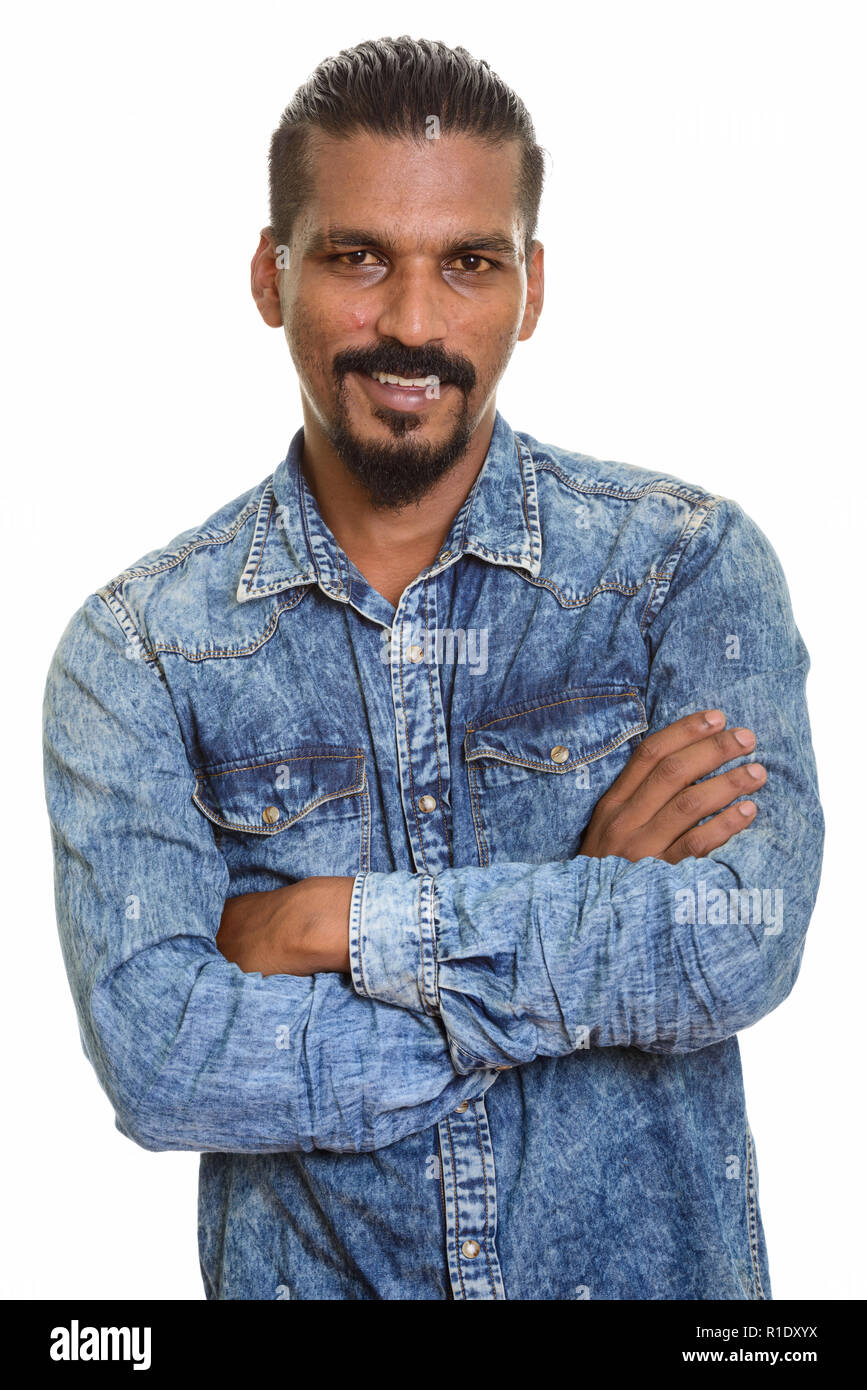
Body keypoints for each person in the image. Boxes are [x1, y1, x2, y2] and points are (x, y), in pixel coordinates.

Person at [42, 36, 824, 1301]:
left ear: (532, 288)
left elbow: (744, 938)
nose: (413, 323)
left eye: (470, 262)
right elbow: (162, 1060)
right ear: (269, 272)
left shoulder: (681, 571)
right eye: (359, 258)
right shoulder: (139, 651)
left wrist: (325, 923)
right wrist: (583, 912)